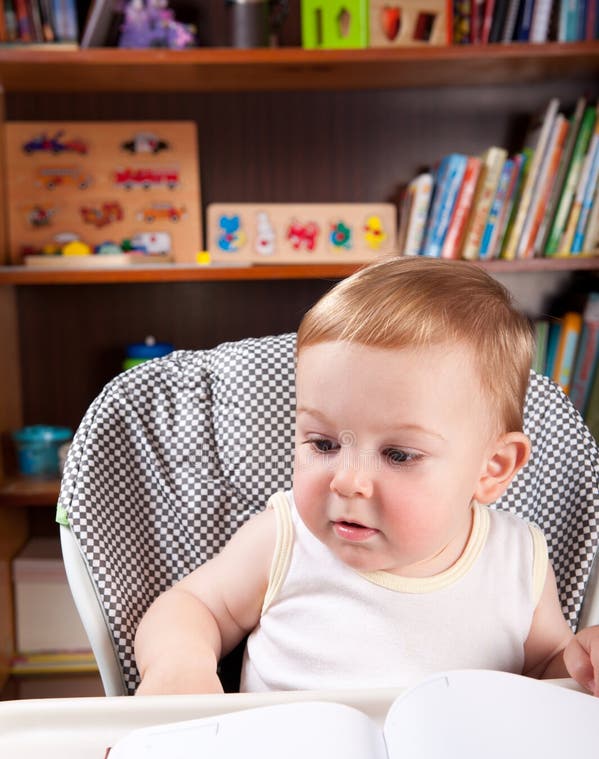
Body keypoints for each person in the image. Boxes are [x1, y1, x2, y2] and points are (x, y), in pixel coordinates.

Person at [134, 257, 599, 696]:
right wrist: (180, 664)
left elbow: (549, 672)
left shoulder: (517, 559)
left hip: (459, 755)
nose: (347, 481)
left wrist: (582, 661)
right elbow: (193, 606)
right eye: (324, 444)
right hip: (287, 752)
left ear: (492, 468)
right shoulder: (284, 540)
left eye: (398, 454)